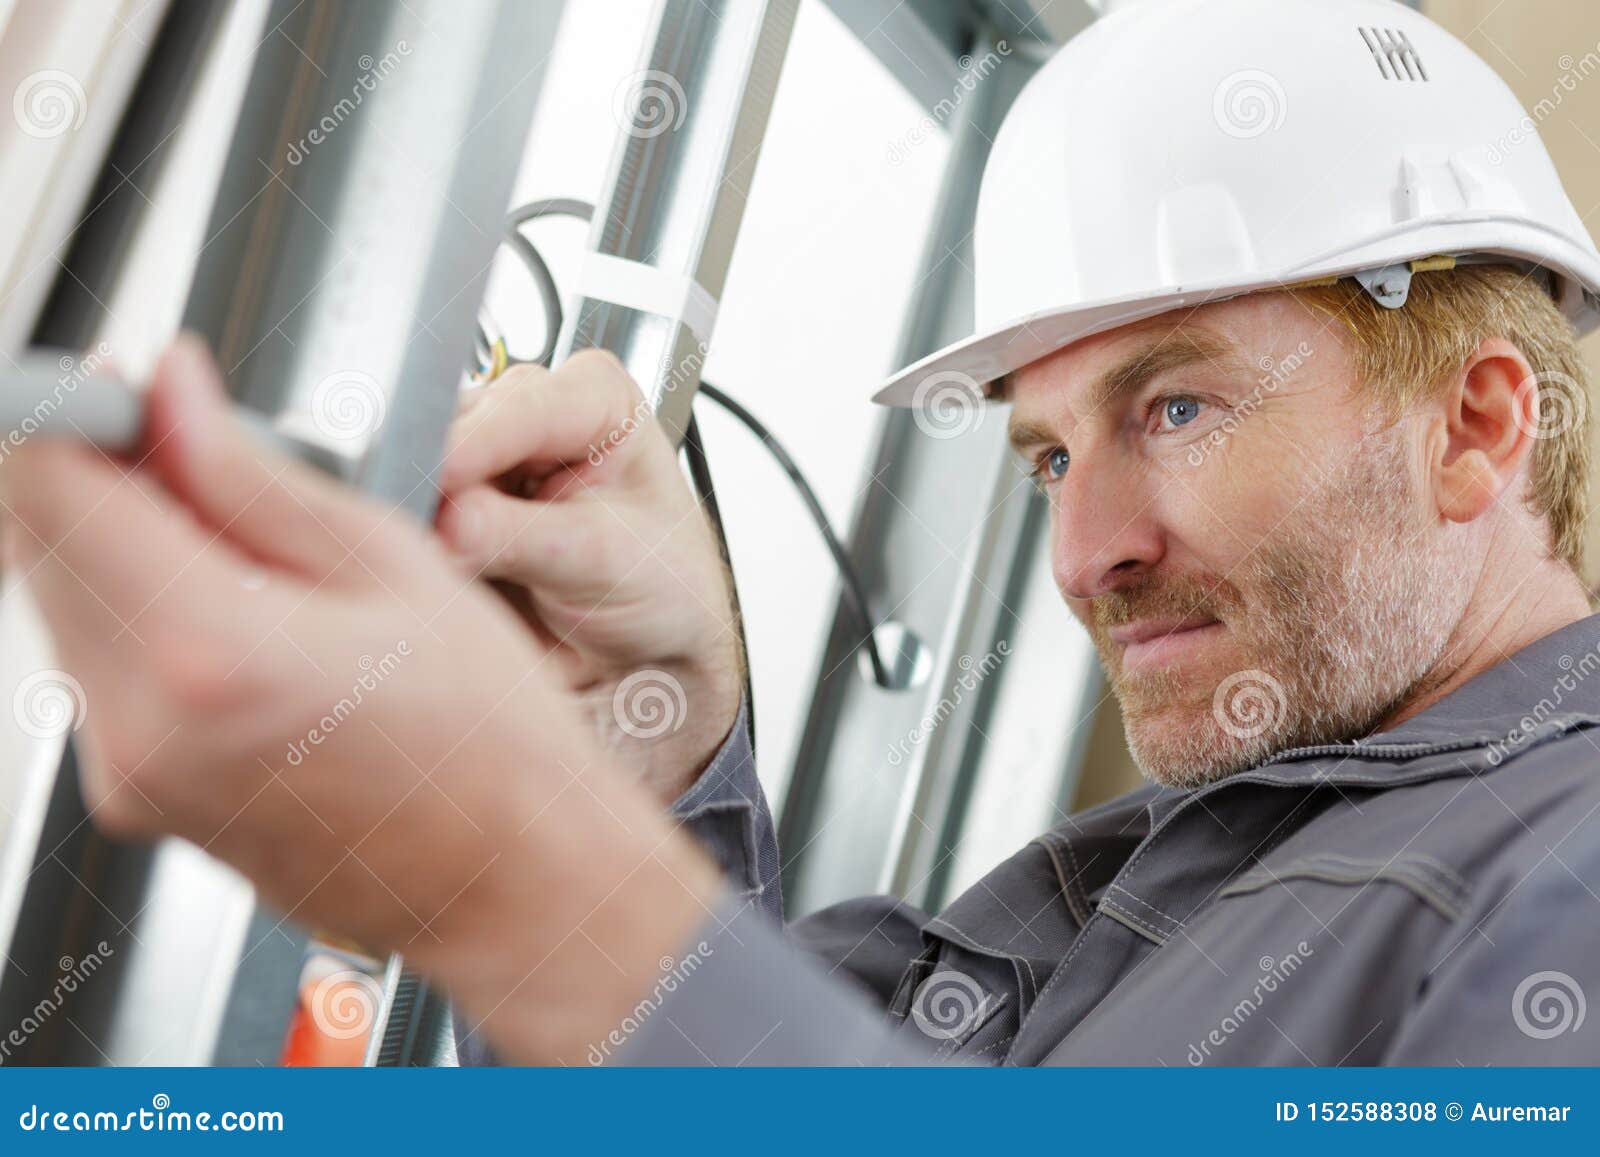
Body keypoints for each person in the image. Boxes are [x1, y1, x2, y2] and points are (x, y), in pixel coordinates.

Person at [5, 0, 1600, 1065]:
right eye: (1046, 457)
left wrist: (521, 877)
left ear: (1477, 422)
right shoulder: (1213, 858)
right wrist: (653, 741)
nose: (1082, 553)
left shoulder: (1556, 879)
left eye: (1176, 406)